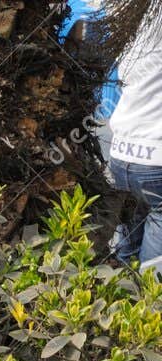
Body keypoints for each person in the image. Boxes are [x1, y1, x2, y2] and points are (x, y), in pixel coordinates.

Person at [102, 0, 162, 264]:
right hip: (155, 161)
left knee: (130, 233)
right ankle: (147, 299)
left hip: (120, 156)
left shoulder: (138, 28)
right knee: (157, 229)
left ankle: (118, 295)